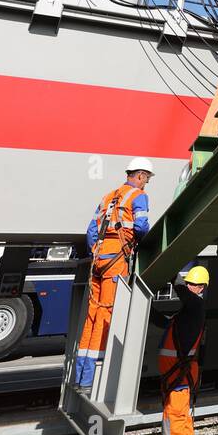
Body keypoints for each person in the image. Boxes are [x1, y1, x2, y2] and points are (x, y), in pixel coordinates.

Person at [75, 158, 152, 387]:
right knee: (105, 315)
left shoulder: (109, 196)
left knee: (91, 315)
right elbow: (141, 227)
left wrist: (97, 251)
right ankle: (92, 377)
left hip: (99, 260)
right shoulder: (139, 196)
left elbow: (91, 230)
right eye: (146, 178)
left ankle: (80, 372)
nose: (147, 183)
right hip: (116, 261)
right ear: (139, 176)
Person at [149, 264, 209, 435]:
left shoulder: (196, 306)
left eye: (195, 284)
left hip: (178, 384)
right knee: (184, 430)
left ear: (202, 287)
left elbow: (188, 297)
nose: (191, 287)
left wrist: (175, 277)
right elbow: (163, 322)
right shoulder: (186, 316)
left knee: (173, 432)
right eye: (189, 283)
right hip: (180, 383)